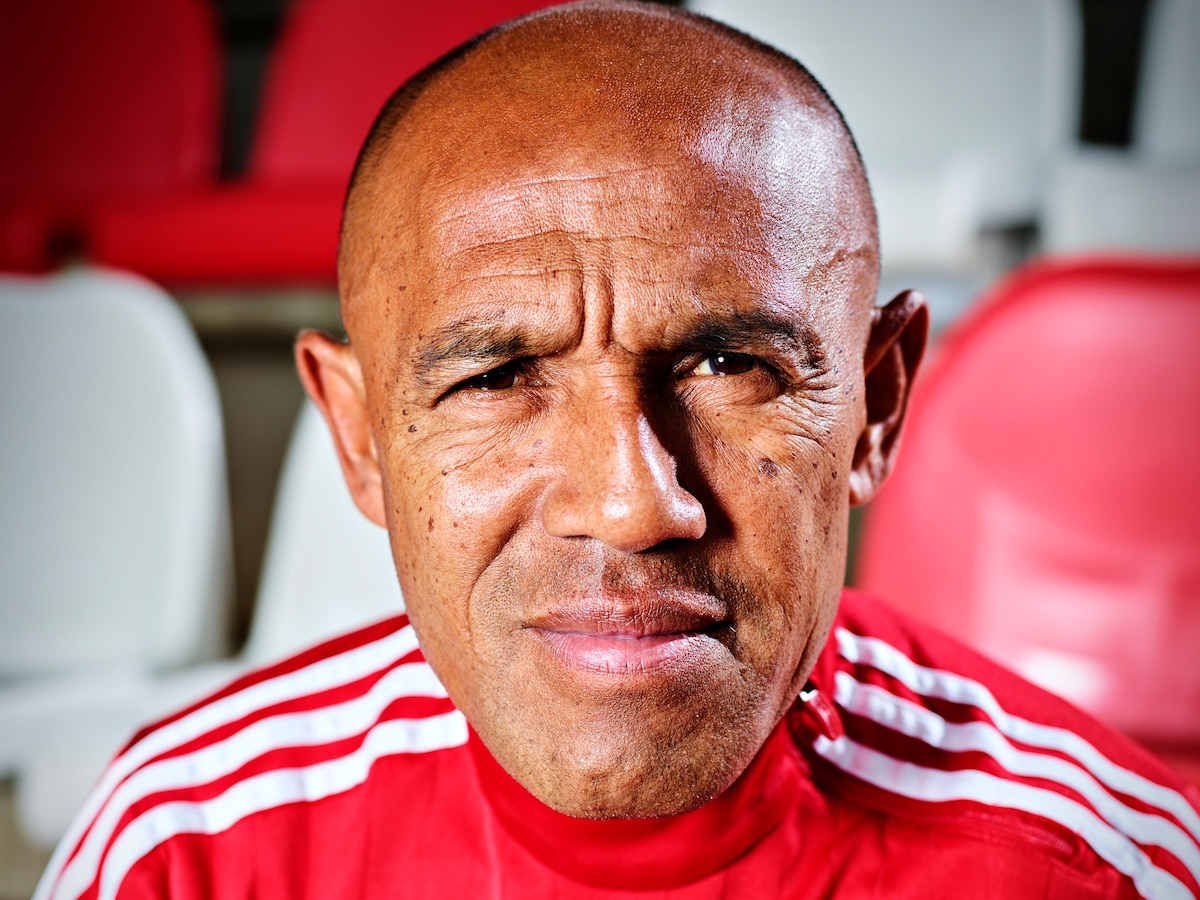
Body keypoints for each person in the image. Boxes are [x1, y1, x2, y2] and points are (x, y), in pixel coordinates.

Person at [37, 2, 1200, 898]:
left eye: (729, 365)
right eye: (496, 377)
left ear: (876, 405)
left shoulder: (1106, 872)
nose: (631, 504)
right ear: (359, 437)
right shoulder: (185, 854)